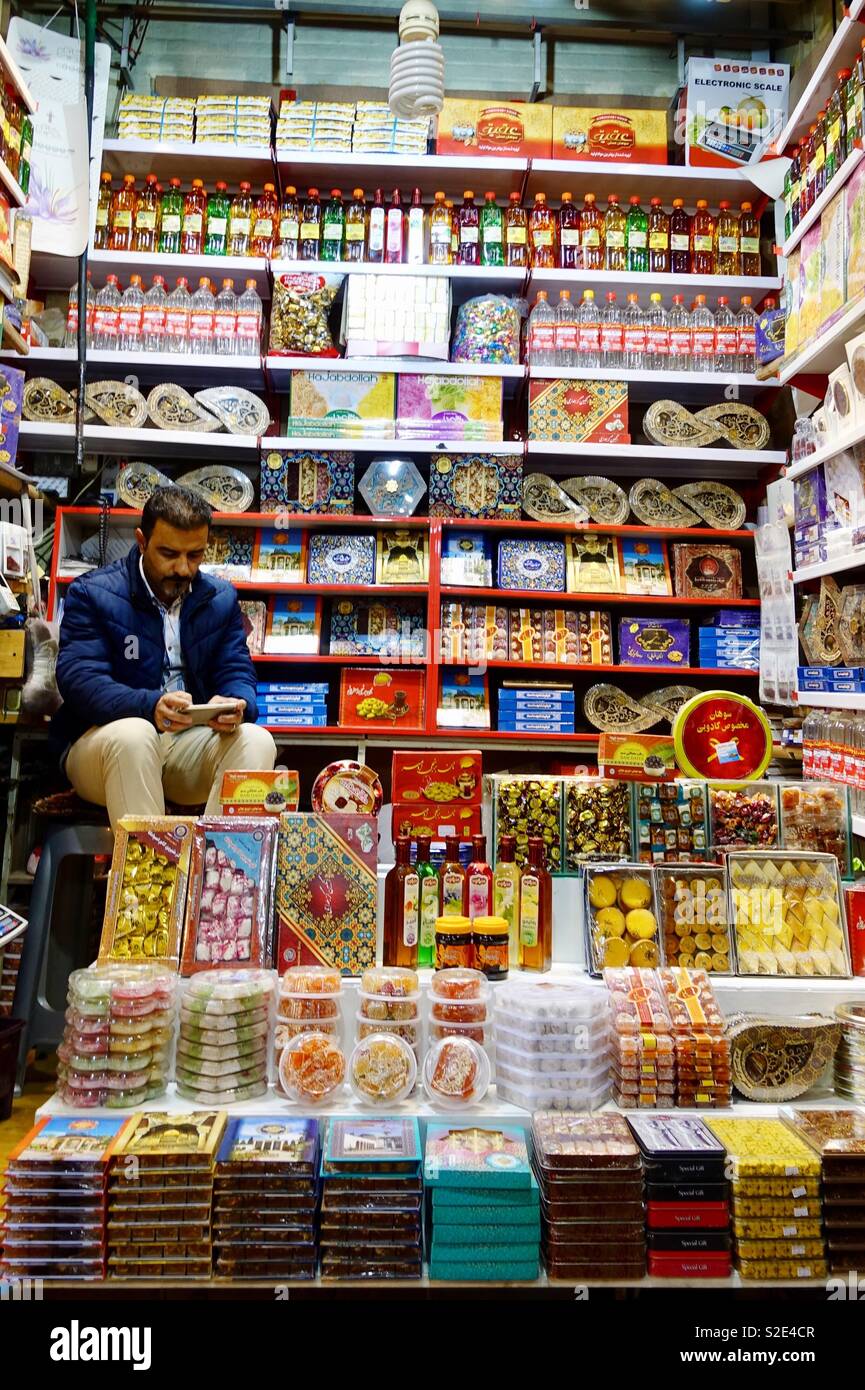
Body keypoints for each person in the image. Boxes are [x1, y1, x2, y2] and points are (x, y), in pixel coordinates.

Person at [53, 485, 276, 827]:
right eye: (169, 554)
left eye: (195, 555)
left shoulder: (220, 599)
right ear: (141, 541)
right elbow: (80, 681)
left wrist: (236, 703)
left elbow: (236, 670)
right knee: (135, 736)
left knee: (256, 740)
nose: (183, 569)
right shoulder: (92, 594)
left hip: (185, 746)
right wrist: (150, 706)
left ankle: (218, 873)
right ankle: (152, 878)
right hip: (101, 744)